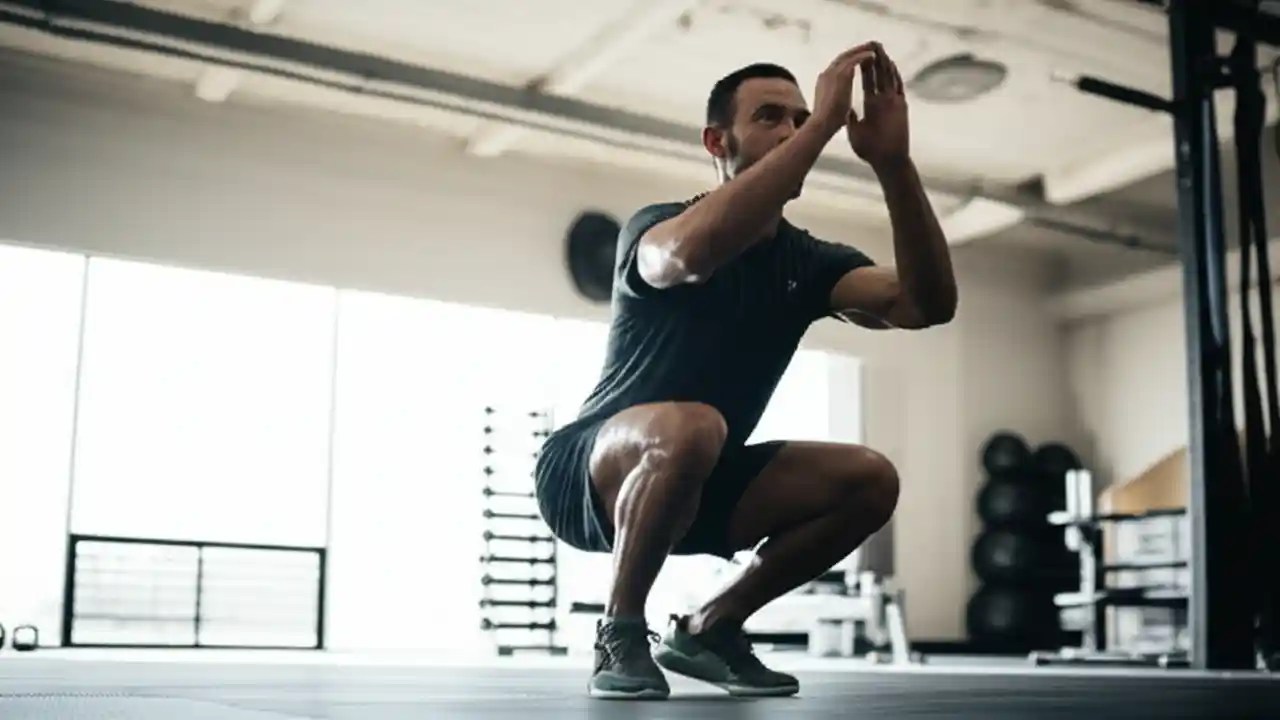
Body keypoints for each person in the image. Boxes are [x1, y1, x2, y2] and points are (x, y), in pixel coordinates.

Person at [534, 42, 957, 699]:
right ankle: (619, 630)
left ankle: (713, 626)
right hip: (589, 473)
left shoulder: (809, 263)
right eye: (770, 117)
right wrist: (823, 129)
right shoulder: (658, 226)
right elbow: (693, 257)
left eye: (800, 117)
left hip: (702, 478)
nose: (791, 128)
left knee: (870, 480)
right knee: (694, 428)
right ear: (716, 140)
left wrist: (895, 165)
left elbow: (925, 304)